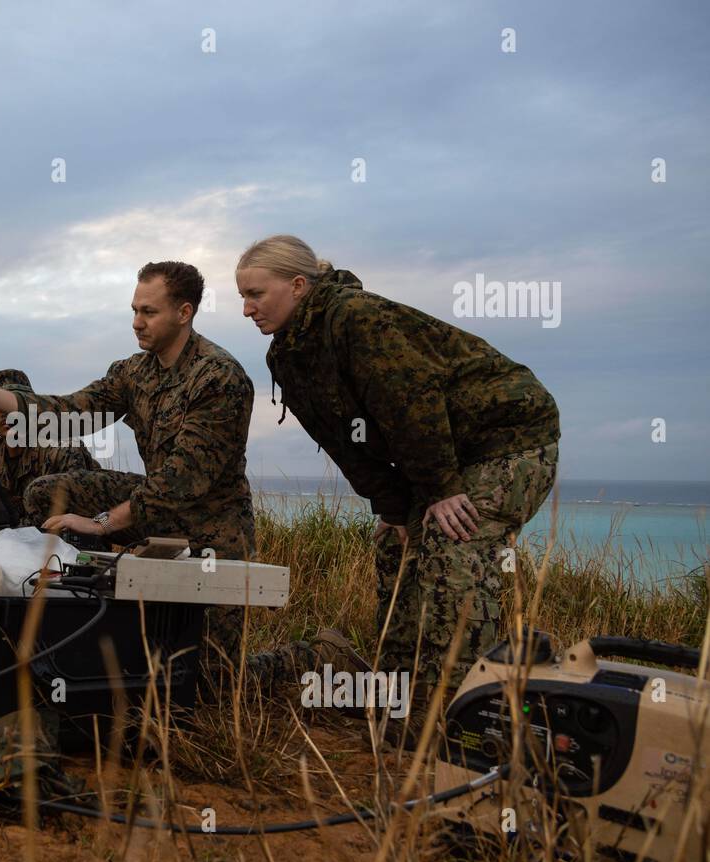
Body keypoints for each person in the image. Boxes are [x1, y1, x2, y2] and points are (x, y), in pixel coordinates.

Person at [236, 234, 560, 724]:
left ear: (298, 285)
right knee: (396, 544)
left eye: (255, 294)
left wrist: (441, 490)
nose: (246, 308)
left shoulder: (357, 319)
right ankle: (399, 702)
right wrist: (392, 508)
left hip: (507, 437)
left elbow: (414, 402)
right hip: (442, 454)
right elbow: (344, 444)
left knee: (456, 544)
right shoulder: (286, 356)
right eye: (243, 296)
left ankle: (463, 718)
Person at [0, 261, 257, 669]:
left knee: (210, 679)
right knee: (47, 492)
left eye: (149, 312)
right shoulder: (133, 373)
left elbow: (181, 481)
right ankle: (83, 614)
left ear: (185, 312)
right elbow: (71, 412)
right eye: (134, 311)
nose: (137, 322)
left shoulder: (218, 377)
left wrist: (101, 523)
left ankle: (322, 651)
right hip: (155, 510)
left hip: (212, 528)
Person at [0, 369, 101, 525]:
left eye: (10, 405)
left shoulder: (62, 448)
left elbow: (81, 513)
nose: (5, 414)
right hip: (8, 542)